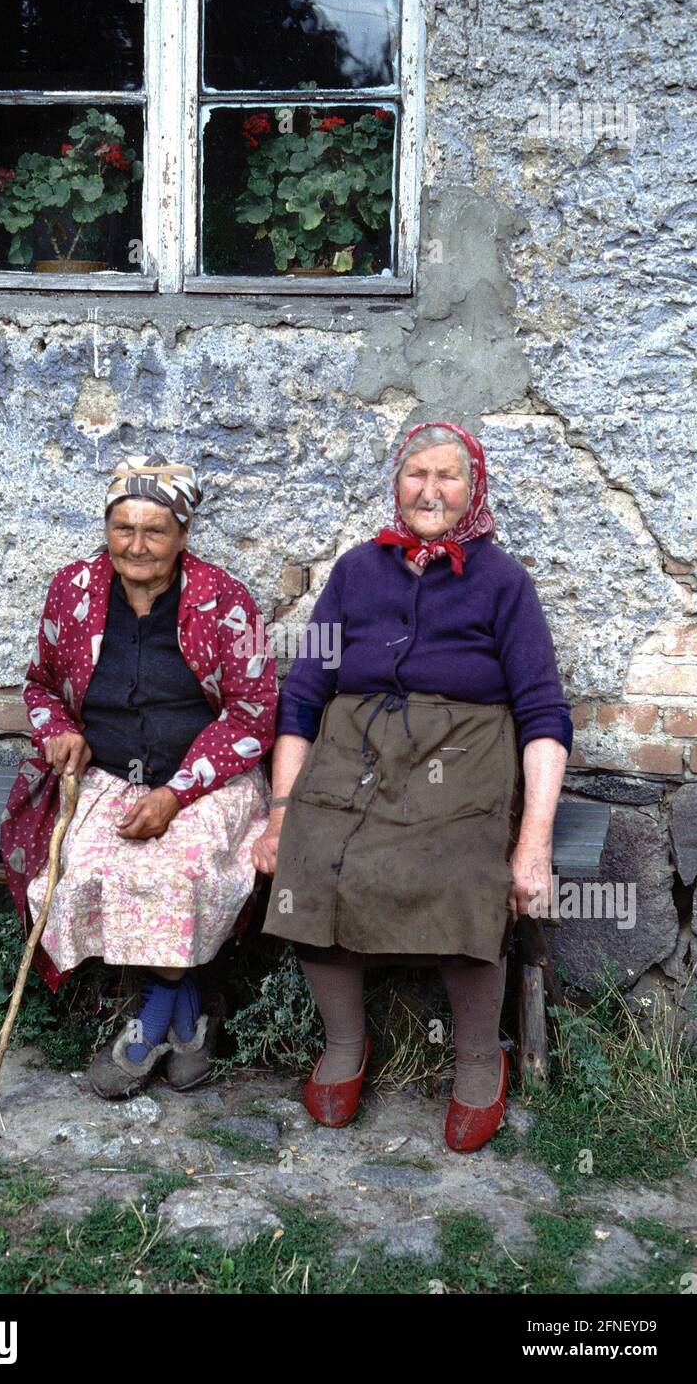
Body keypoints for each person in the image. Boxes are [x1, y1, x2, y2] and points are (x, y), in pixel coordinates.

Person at [251, 422, 572, 1151]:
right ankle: (343, 1044)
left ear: (473, 487)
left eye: (448, 476)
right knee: (311, 857)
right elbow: (302, 696)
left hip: (462, 752)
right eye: (414, 474)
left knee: (463, 871)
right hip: (353, 746)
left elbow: (544, 713)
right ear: (395, 484)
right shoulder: (356, 571)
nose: (430, 490)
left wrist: (533, 844)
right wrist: (279, 815)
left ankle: (475, 1059)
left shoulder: (502, 582)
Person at [1, 458, 277, 1098]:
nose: (136, 544)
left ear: (183, 534)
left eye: (155, 530)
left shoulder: (223, 599)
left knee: (172, 871)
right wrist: (57, 732)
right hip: (105, 774)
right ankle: (188, 1016)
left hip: (206, 780)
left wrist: (176, 792)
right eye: (122, 527)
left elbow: (253, 712)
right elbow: (41, 686)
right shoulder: (73, 590)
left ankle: (150, 1020)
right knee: (89, 863)